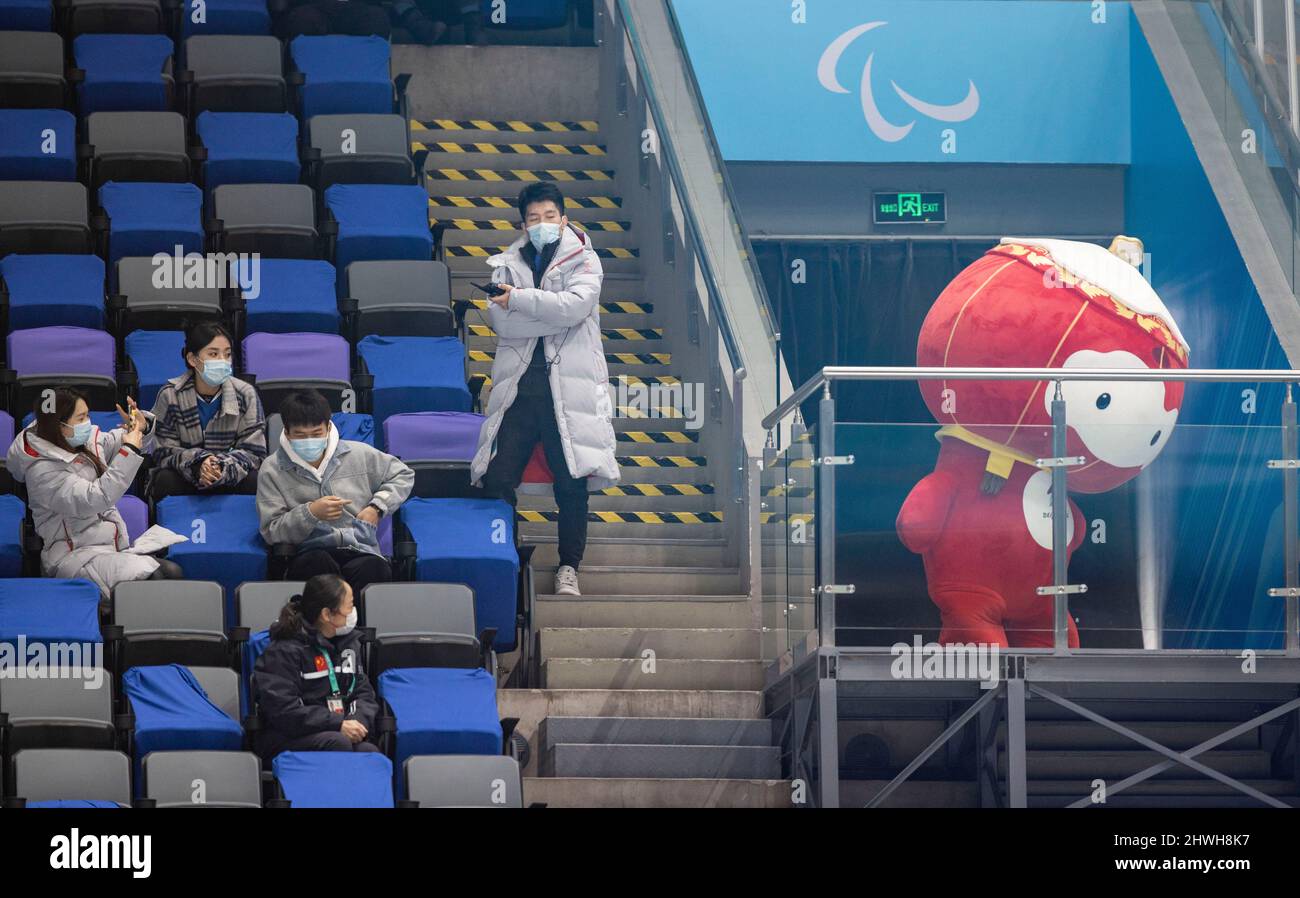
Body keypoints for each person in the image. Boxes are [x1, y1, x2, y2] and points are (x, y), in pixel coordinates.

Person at [470, 182, 620, 597]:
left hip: (567, 393)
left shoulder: (586, 259)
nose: (541, 225)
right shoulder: (505, 263)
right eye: (533, 219)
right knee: (496, 477)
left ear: (564, 219)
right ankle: (505, 554)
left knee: (571, 482)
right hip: (519, 392)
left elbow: (576, 306)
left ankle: (569, 566)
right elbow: (503, 325)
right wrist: (551, 312)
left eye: (549, 217)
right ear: (523, 223)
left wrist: (519, 300)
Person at [5, 387, 183, 599]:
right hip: (73, 559)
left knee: (172, 571)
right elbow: (95, 498)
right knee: (158, 578)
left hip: (110, 551)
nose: (87, 423)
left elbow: (113, 442)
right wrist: (130, 451)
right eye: (81, 417)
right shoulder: (41, 473)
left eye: (87, 415)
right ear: (59, 426)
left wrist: (139, 428)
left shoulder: (80, 439)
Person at [256, 389, 413, 595]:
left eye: (316, 433)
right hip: (310, 551)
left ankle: (361, 627)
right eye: (300, 436)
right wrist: (310, 513)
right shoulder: (272, 469)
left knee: (375, 569)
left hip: (360, 548)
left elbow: (403, 474)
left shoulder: (359, 453)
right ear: (286, 432)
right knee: (317, 566)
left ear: (329, 427)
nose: (309, 441)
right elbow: (272, 531)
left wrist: (376, 507)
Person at [254, 574, 380, 758]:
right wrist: (337, 724)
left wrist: (355, 722)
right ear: (327, 614)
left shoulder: (349, 645)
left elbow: (363, 693)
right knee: (338, 743)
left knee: (369, 753)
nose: (353, 612)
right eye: (350, 606)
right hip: (288, 736)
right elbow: (283, 710)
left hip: (336, 730)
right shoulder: (284, 650)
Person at [148, 321, 267, 502]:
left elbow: (254, 452)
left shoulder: (246, 393)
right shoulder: (170, 395)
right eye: (213, 354)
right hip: (186, 475)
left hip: (231, 475)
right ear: (193, 359)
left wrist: (220, 467)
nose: (223, 360)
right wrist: (198, 463)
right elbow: (162, 451)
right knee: (165, 479)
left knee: (256, 480)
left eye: (227, 355)